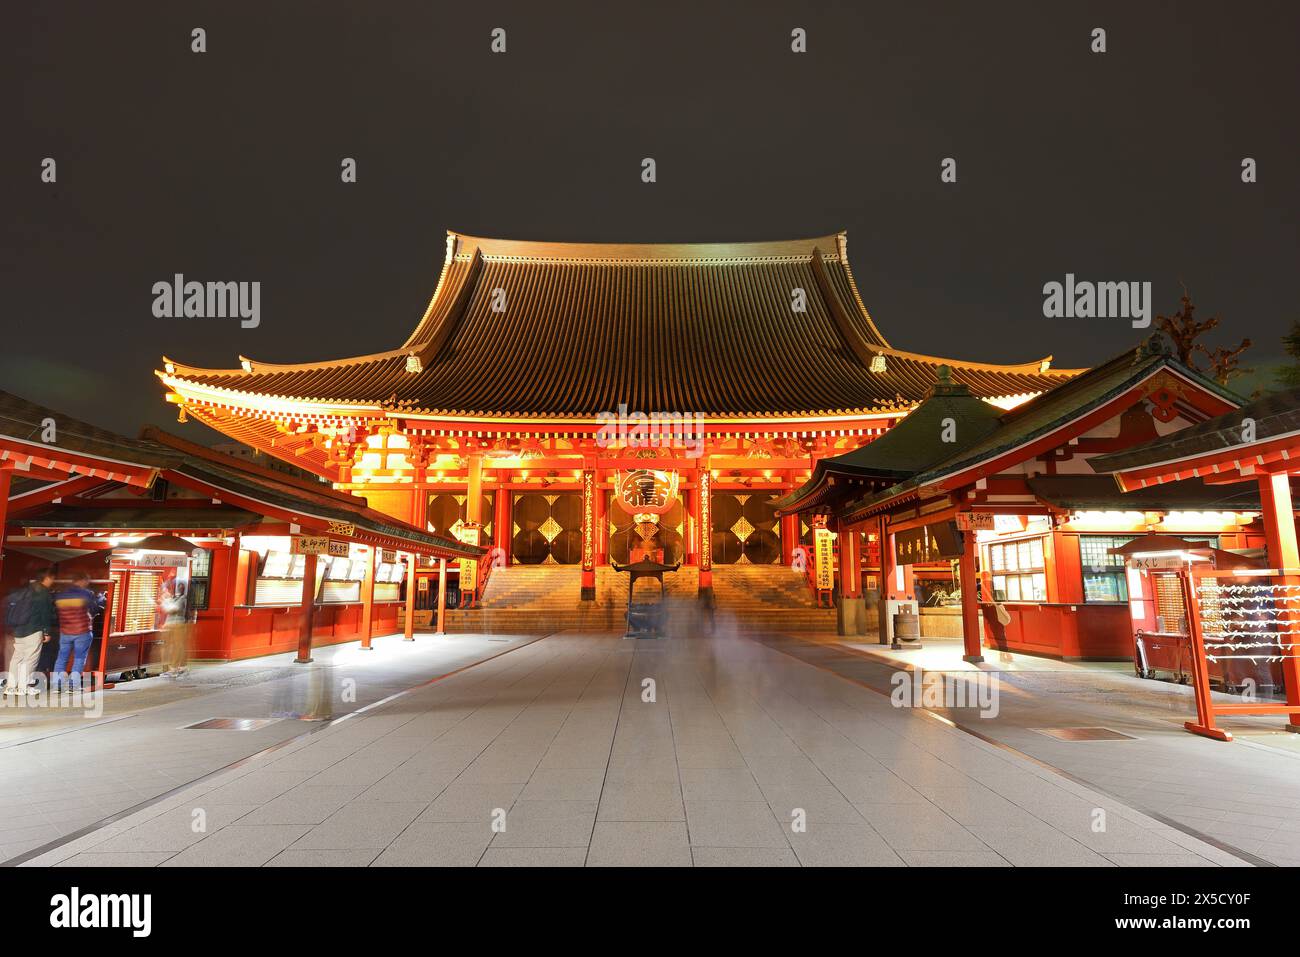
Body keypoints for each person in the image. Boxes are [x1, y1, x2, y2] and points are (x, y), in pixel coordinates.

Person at [3, 568, 57, 697]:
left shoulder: (26, 589)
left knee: (17, 658)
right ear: (47, 577)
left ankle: (10, 687)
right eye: (52, 578)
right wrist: (47, 632)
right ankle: (24, 687)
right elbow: (45, 614)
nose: (53, 581)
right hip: (33, 630)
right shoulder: (43, 592)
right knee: (30, 659)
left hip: (19, 630)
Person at [52, 573, 97, 692]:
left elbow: (56, 612)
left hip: (65, 631)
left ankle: (57, 685)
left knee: (61, 658)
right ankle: (73, 686)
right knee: (79, 658)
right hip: (82, 631)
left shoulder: (60, 595)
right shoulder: (86, 594)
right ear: (83, 581)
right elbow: (94, 609)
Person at [159, 580, 189, 678]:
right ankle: (176, 668)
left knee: (177, 647)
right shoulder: (174, 598)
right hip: (171, 625)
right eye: (178, 586)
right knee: (171, 647)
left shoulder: (183, 599)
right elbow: (168, 609)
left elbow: (172, 609)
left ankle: (174, 669)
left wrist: (165, 603)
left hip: (178, 624)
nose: (180, 588)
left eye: (181, 587)